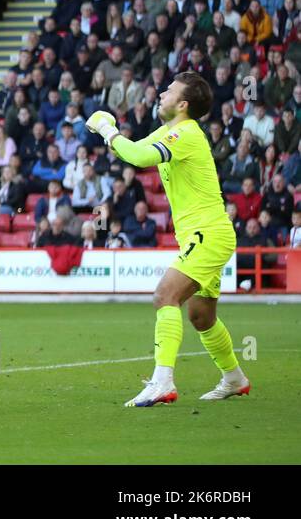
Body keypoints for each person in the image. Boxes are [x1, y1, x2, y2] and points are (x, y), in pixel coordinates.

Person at [86, 72, 249, 407]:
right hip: (202, 235)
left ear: (183, 104)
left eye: (170, 91)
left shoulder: (186, 133)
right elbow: (133, 151)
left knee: (165, 296)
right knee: (201, 316)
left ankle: (162, 382)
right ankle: (235, 378)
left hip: (208, 234)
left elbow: (139, 158)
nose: (161, 93)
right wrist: (111, 131)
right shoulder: (169, 131)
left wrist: (106, 128)